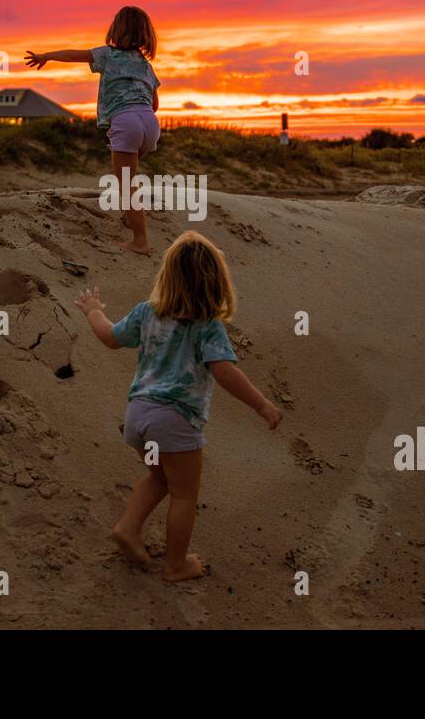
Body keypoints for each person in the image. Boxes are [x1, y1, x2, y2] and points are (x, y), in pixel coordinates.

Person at [74, 231, 283, 582]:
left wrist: (94, 311)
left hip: (137, 418)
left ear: (167, 276)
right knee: (185, 495)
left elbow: (110, 337)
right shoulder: (207, 327)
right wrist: (262, 405)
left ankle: (128, 527)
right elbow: (226, 372)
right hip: (173, 422)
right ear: (216, 283)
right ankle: (176, 565)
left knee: (159, 477)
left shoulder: (147, 313)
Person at [25, 6, 161, 254]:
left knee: (127, 182)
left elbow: (74, 54)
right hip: (150, 122)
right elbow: (155, 103)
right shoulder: (145, 66)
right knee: (129, 176)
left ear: (116, 29)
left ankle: (140, 241)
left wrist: (46, 55)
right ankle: (129, 217)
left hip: (125, 120)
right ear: (146, 35)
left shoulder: (108, 55)